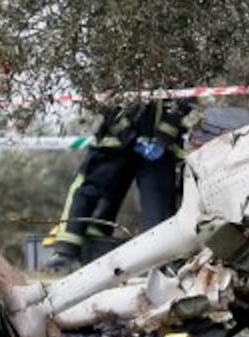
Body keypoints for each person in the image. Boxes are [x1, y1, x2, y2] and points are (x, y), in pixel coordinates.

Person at [42, 100, 191, 268]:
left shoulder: (174, 75)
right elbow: (105, 101)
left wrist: (163, 138)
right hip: (115, 142)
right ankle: (67, 251)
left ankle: (159, 262)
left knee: (159, 207)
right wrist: (130, 136)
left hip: (159, 148)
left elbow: (183, 102)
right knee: (90, 191)